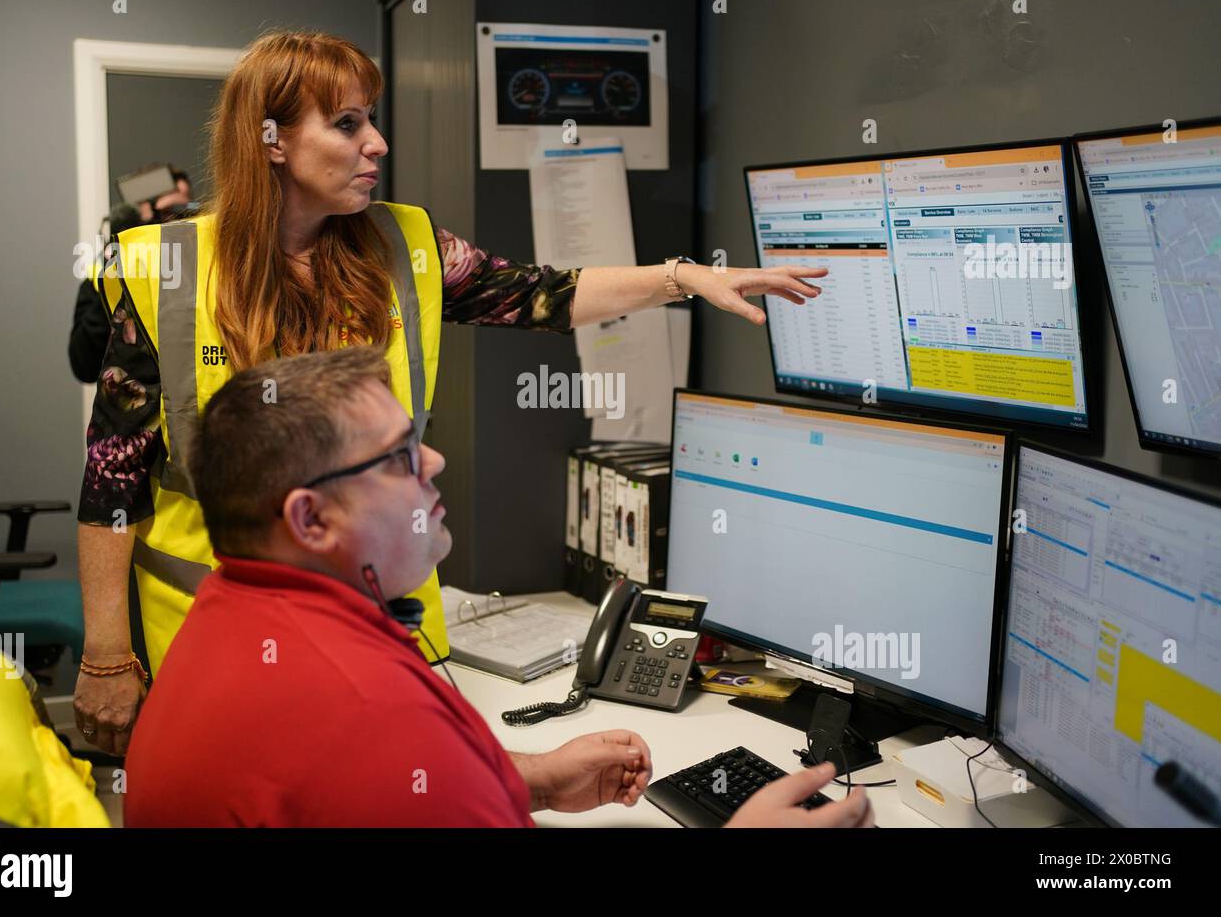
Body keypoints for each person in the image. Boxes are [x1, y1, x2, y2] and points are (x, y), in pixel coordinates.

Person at [75, 29, 827, 754]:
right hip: (220, 628)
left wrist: (683, 278)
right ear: (271, 140)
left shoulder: (405, 247)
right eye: (346, 124)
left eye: (372, 119)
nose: (377, 143)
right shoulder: (167, 272)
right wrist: (105, 656)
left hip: (384, 621)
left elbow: (544, 294)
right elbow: (112, 480)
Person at [123, 347, 872, 828]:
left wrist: (534, 780)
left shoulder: (233, 617)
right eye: (400, 455)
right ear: (310, 517)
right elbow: (372, 759)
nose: (437, 462)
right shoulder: (364, 710)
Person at [68, 169, 195, 383]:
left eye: (183, 211)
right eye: (167, 213)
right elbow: (84, 366)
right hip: (136, 408)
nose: (175, 222)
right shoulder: (101, 279)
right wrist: (117, 272)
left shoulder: (197, 269)